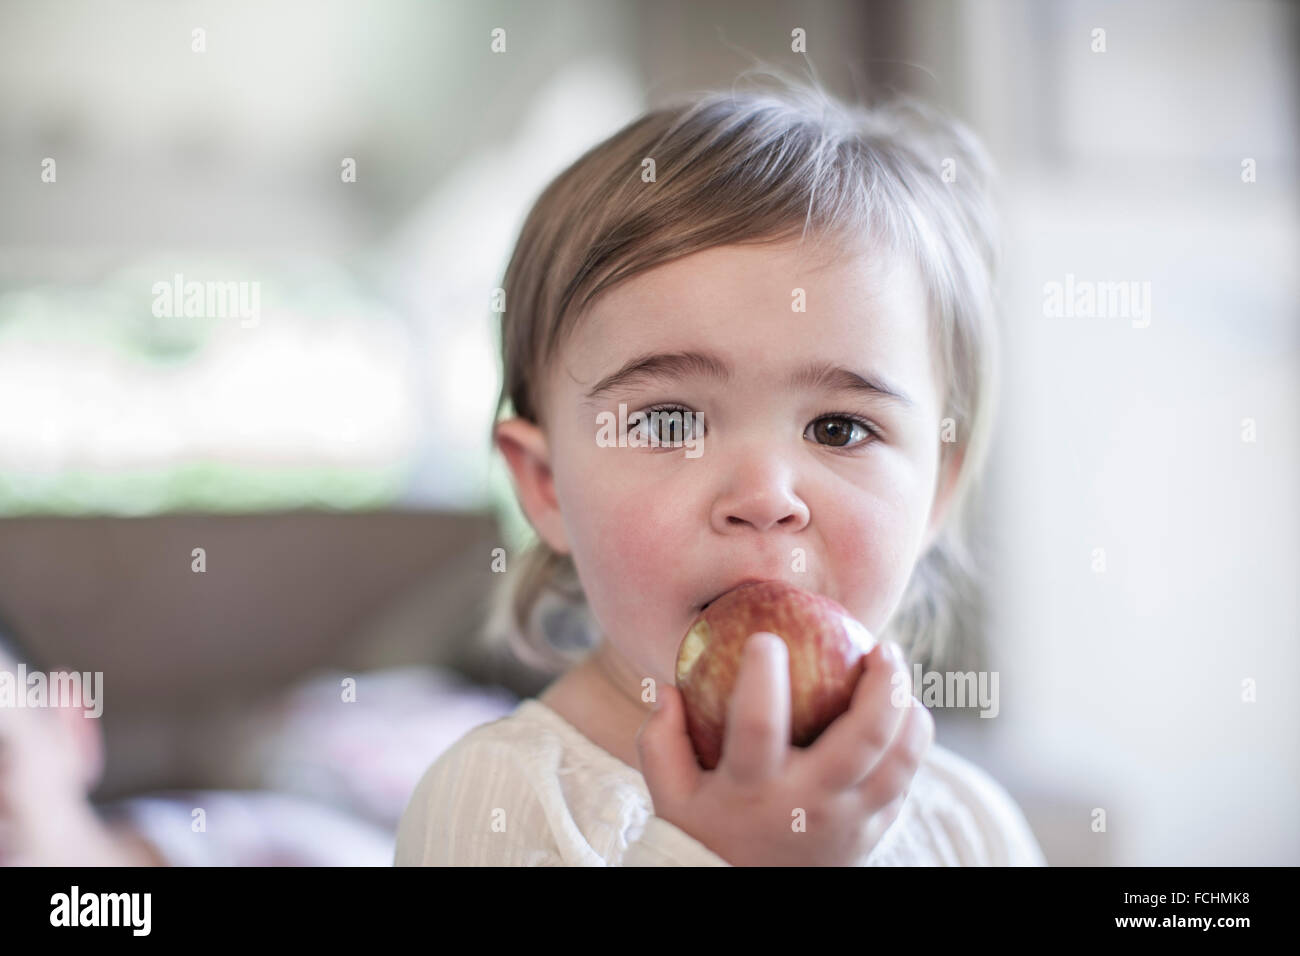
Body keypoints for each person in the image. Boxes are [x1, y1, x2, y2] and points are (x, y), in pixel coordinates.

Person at [395, 72, 1048, 866]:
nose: (766, 497)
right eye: (671, 422)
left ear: (938, 493)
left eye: (840, 428)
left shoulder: (967, 828)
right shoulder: (496, 802)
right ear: (545, 486)